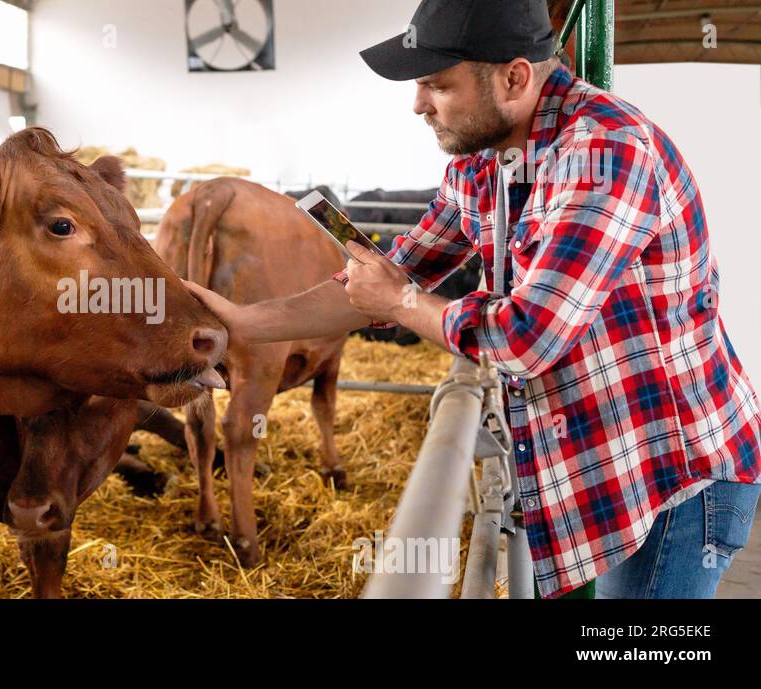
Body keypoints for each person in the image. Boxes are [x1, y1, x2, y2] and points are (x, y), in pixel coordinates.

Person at [185, 0, 761, 599]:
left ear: (513, 77)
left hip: (674, 476)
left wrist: (404, 302)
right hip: (602, 467)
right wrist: (244, 322)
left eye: (437, 84)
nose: (418, 105)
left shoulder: (604, 153)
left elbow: (523, 338)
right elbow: (382, 278)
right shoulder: (483, 161)